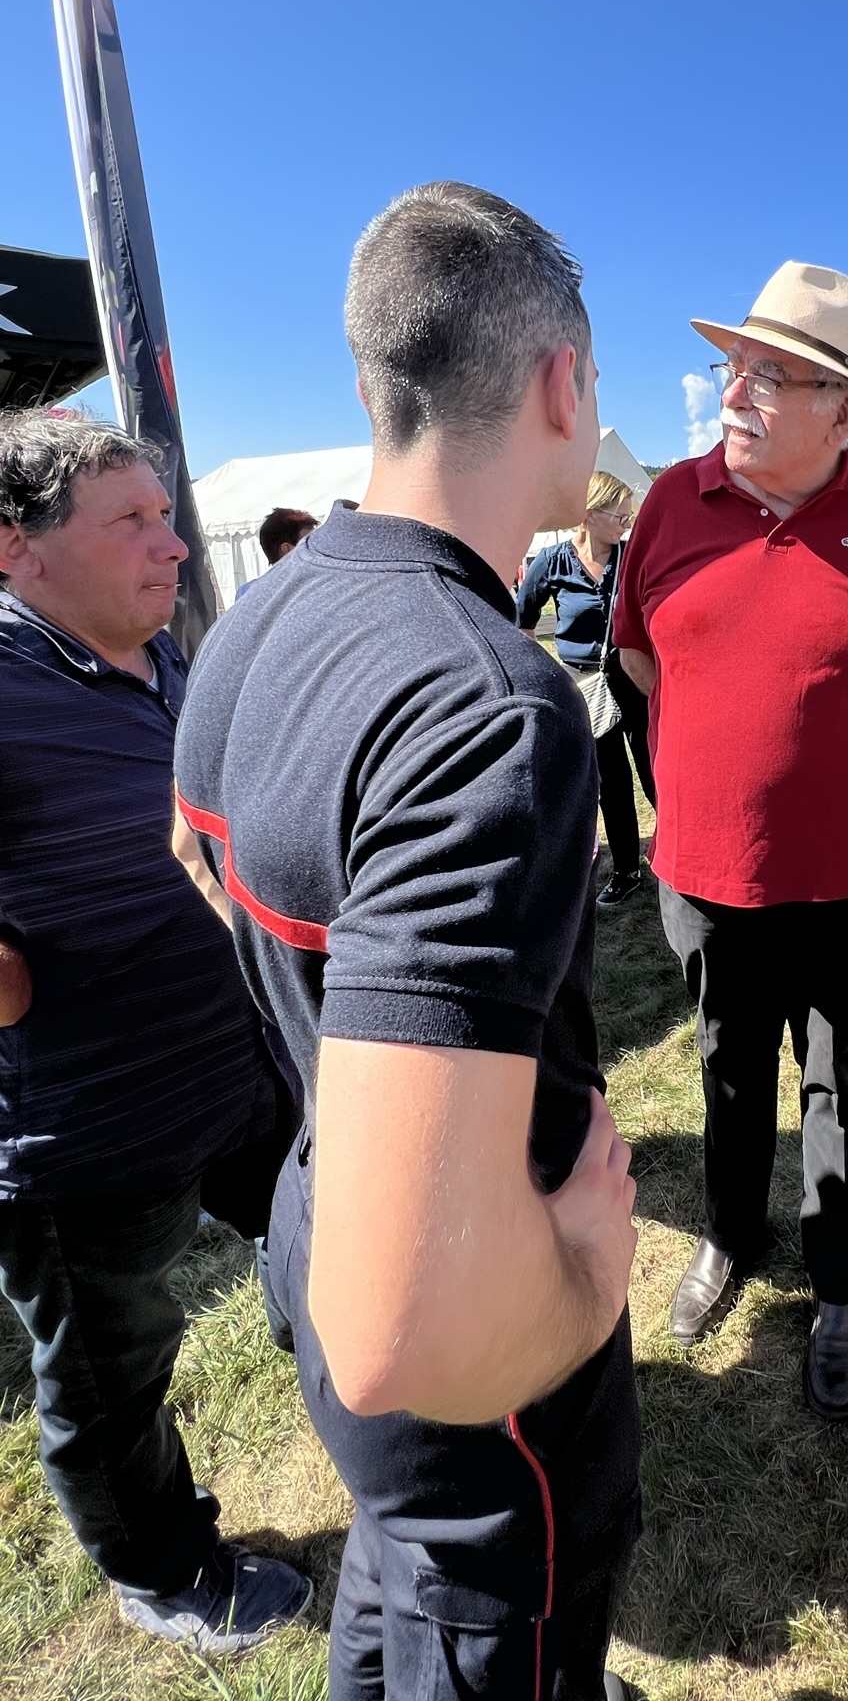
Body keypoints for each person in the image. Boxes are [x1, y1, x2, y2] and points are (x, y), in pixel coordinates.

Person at [177, 184, 642, 1701]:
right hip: (465, 1308)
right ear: (563, 383)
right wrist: (579, 1271)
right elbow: (400, 1337)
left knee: (404, 1574)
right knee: (493, 1626)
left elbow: (199, 857)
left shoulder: (254, 615)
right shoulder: (486, 704)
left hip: (330, 1195)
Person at [615, 261, 848, 1418]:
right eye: (737, 363)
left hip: (842, 872)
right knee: (726, 1067)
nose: (739, 387)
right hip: (702, 867)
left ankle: (838, 1287)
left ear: (843, 410)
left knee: (838, 1081)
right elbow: (639, 658)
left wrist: (820, 758)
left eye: (775, 373)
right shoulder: (670, 500)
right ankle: (727, 1237)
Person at [0, 413, 310, 1655]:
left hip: (234, 1065)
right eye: (129, 520)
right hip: (82, 1128)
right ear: (13, 548)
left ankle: (376, 1391)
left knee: (319, 1231)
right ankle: (166, 1567)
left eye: (166, 514)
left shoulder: (158, 659)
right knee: (110, 1369)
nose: (171, 543)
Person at [518, 471, 656, 906]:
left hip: (636, 675)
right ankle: (628, 871)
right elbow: (523, 622)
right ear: (591, 513)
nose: (626, 525)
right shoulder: (553, 561)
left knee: (657, 771)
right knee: (611, 782)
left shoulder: (634, 555)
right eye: (620, 516)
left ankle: (678, 859)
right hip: (586, 683)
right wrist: (545, 676)